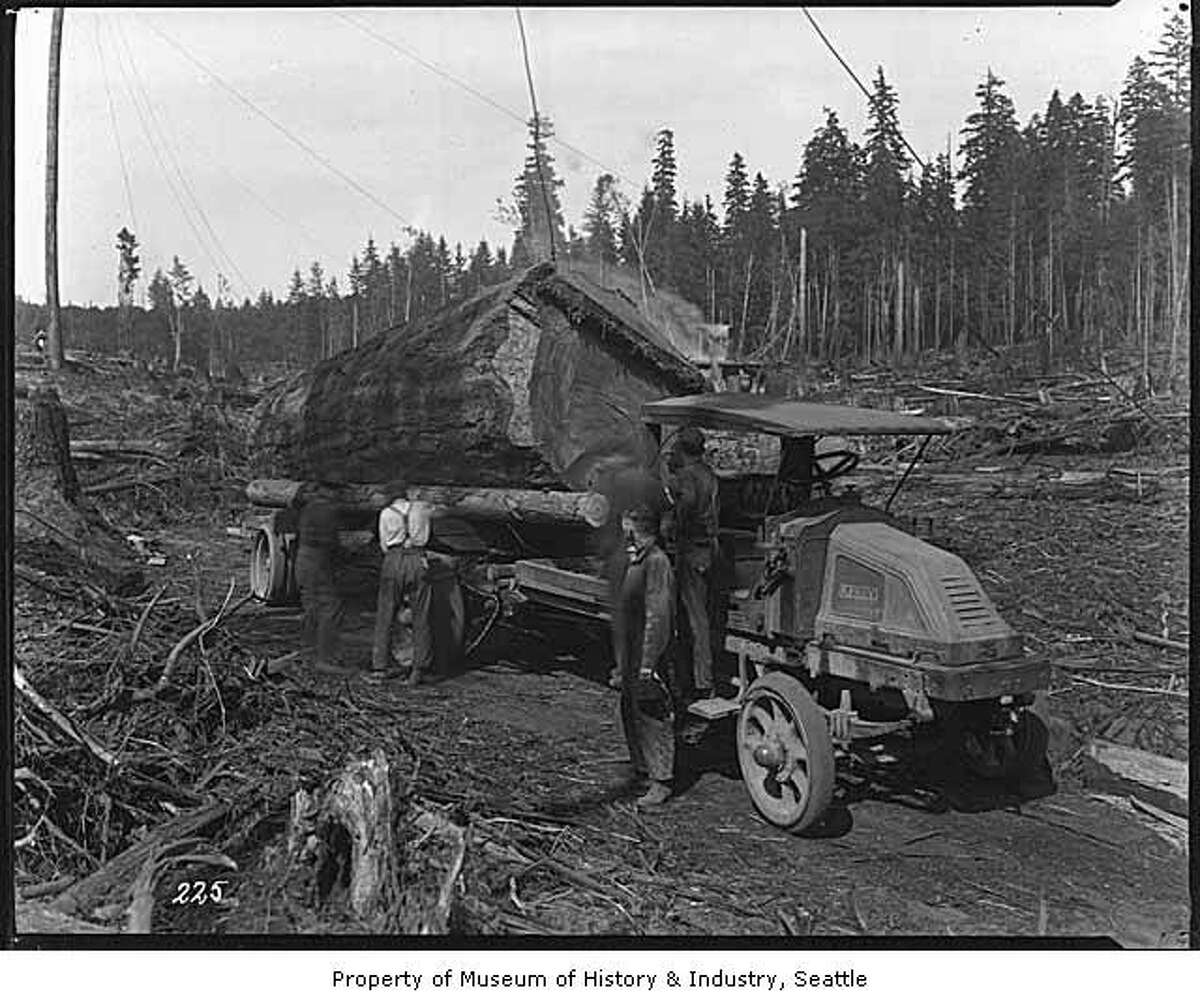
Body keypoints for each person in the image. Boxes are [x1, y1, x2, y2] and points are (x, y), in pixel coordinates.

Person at [612, 502, 677, 809]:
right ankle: (642, 769)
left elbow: (658, 615)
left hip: (649, 652)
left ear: (638, 530)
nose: (623, 534)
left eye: (626, 528)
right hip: (632, 649)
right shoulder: (637, 559)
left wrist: (648, 664)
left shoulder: (657, 562)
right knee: (631, 709)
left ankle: (661, 780)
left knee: (652, 714)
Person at [662, 426, 720, 701]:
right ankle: (700, 674)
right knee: (703, 614)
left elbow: (686, 510)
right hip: (710, 549)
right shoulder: (708, 473)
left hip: (692, 549)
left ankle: (702, 681)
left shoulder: (686, 477)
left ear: (683, 451)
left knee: (695, 618)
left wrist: (671, 525)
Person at [370, 480, 433, 685]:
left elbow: (383, 544)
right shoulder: (421, 510)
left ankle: (380, 667)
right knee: (421, 616)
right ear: (406, 494)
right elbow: (426, 536)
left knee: (386, 613)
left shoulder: (386, 514)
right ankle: (418, 670)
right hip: (417, 559)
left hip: (394, 559)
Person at [295, 494, 346, 675]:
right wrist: (344, 556)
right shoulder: (327, 510)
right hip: (318, 561)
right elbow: (331, 542)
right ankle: (326, 658)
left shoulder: (309, 506)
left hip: (303, 559)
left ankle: (308, 653)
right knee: (332, 607)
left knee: (311, 606)